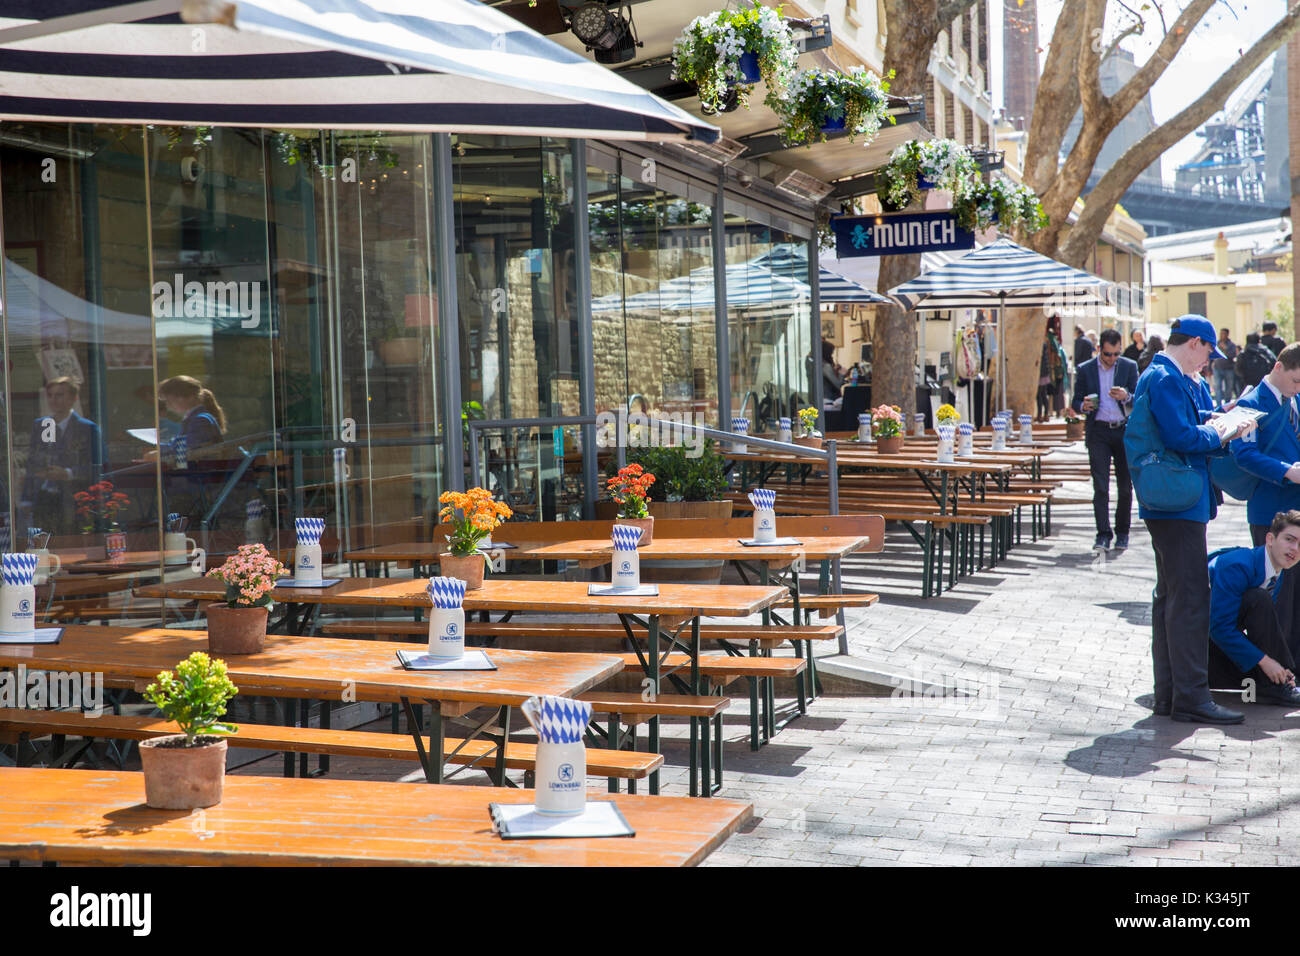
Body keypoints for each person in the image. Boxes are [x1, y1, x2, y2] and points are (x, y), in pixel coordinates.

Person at [1130, 315, 1255, 725]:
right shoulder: (1165, 377)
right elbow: (1182, 437)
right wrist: (1224, 431)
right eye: (1207, 352)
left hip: (1176, 499)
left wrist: (1223, 418)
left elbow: (1190, 423)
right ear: (1195, 344)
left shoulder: (1169, 375)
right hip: (1177, 502)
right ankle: (1189, 698)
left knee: (1173, 597)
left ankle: (1172, 695)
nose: (1208, 362)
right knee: (1188, 599)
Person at [1206, 510, 1300, 707]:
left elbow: (1264, 629)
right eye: (1289, 539)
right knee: (1258, 598)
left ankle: (1283, 682)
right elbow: (1219, 629)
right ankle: (1278, 686)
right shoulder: (1238, 565)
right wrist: (1266, 661)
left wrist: (1277, 666)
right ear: (1270, 539)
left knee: (1270, 674)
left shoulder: (1277, 571)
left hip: (1223, 649)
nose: (1294, 549)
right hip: (1197, 655)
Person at [1228, 342, 1300, 545]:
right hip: (1271, 511)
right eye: (1295, 381)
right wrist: (1288, 472)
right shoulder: (1250, 403)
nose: (1298, 388)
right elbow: (1244, 454)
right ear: (1278, 367)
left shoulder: (1297, 398)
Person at [1073, 329, 1138, 551]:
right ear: (1100, 349)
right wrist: (1083, 406)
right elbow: (1075, 401)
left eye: (1116, 354)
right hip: (1098, 431)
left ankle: (1122, 533)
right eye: (1108, 354)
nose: (1112, 359)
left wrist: (1126, 396)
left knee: (1125, 487)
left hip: (1122, 430)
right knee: (1100, 486)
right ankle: (1103, 534)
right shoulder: (1085, 369)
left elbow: (1138, 400)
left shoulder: (1129, 367)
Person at [19, 377, 106, 535]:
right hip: (44, 498)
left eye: (59, 395)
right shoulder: (44, 425)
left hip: (72, 499)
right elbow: (34, 461)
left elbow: (99, 466)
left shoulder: (87, 428)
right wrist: (27, 498)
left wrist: (68, 473)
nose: (53, 400)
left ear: (74, 398)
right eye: (50, 395)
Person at [157, 375, 226, 452]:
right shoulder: (194, 418)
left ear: (190, 397)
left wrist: (160, 451)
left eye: (170, 401)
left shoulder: (201, 420)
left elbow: (189, 446)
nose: (168, 405)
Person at [1213, 328, 1239, 404]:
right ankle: (1218, 405)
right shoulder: (1216, 344)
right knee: (1217, 387)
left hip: (1228, 369)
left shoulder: (1232, 345)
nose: (1221, 335)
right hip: (1217, 368)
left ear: (1227, 335)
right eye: (1221, 334)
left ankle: (1227, 404)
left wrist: (1225, 349)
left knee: (1229, 388)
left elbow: (1232, 356)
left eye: (1223, 334)